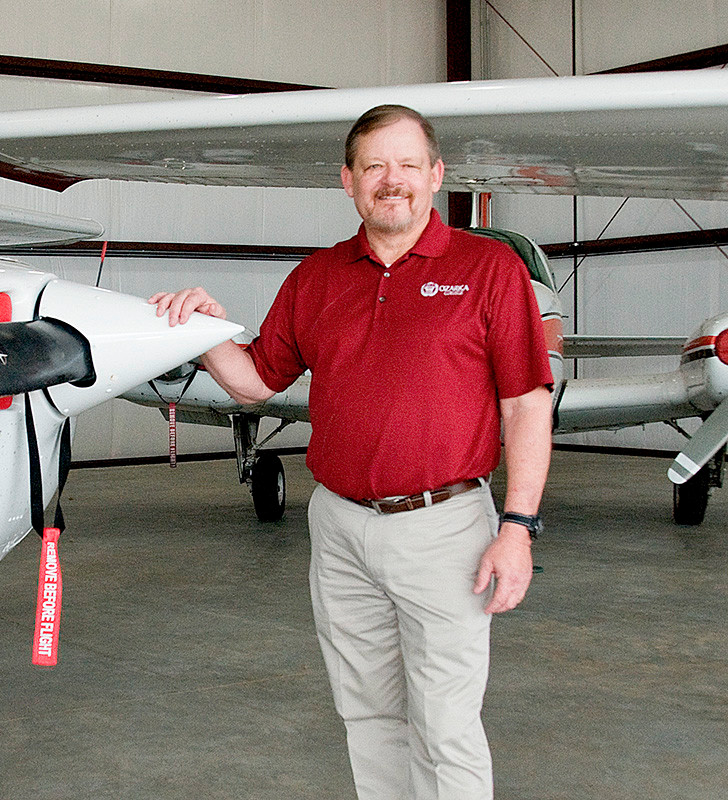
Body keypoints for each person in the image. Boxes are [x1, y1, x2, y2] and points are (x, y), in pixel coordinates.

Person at [150, 105, 553, 800]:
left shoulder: (489, 271)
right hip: (340, 529)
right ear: (348, 180)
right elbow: (253, 381)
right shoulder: (317, 278)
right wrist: (205, 329)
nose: (390, 181)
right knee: (366, 713)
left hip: (445, 526)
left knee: (445, 723)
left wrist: (517, 527)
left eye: (405, 165)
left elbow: (525, 404)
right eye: (373, 166)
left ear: (436, 175)